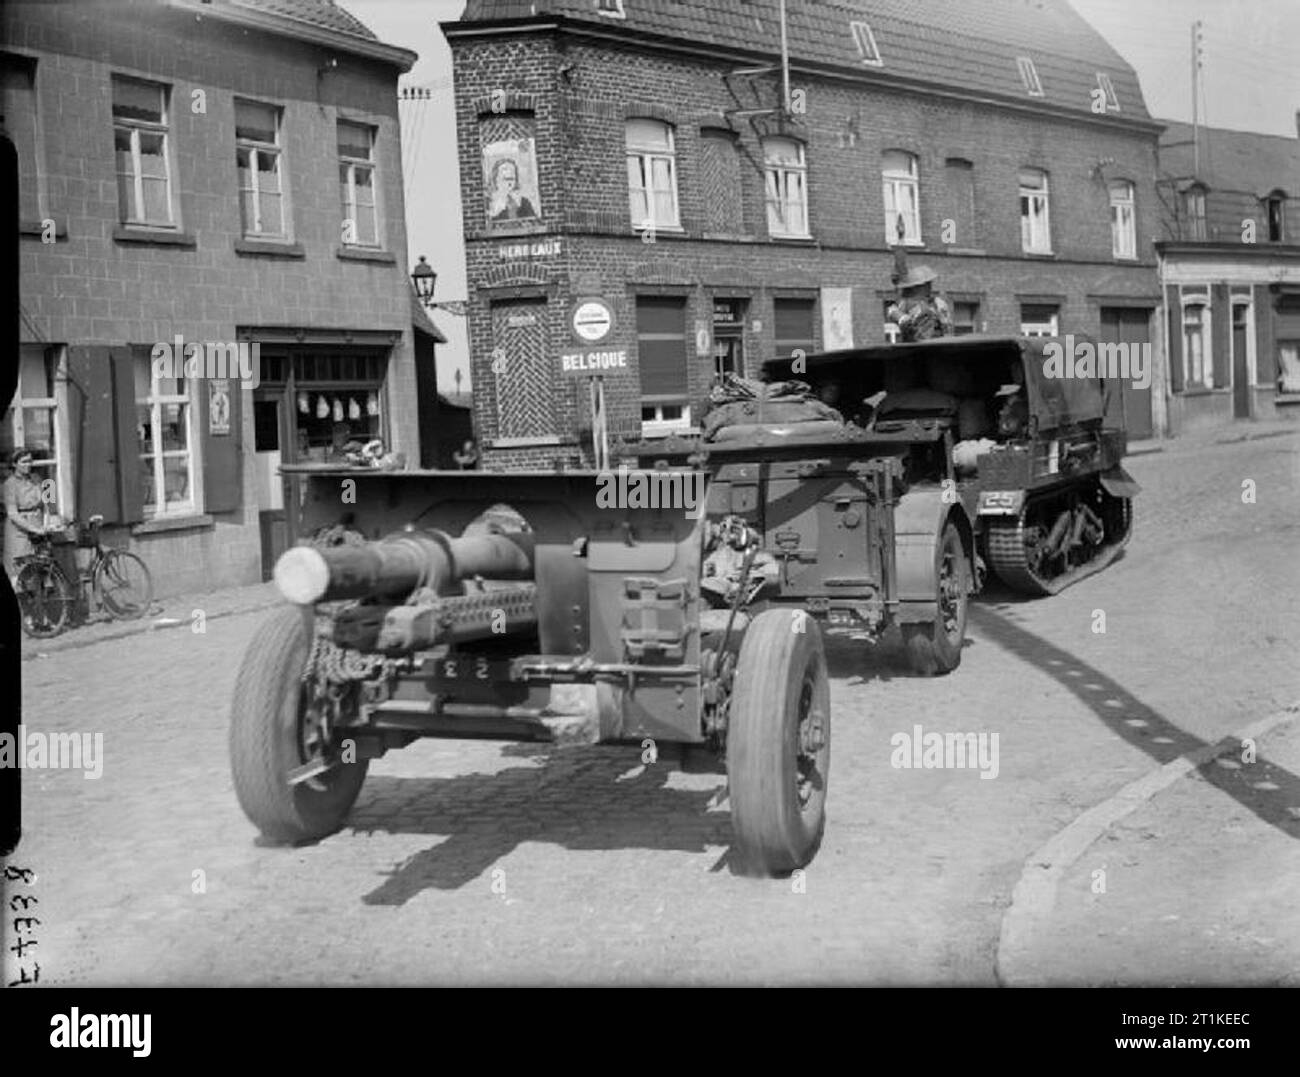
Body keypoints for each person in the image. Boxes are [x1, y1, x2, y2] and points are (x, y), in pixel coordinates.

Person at [4, 448, 46, 581]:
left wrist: (48, 523)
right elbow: (13, 514)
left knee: (39, 573)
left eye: (30, 461)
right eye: (24, 462)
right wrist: (34, 529)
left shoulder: (37, 479)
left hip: (38, 529)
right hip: (19, 532)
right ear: (14, 464)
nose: (28, 465)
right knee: (19, 572)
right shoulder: (9, 485)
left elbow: (48, 503)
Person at [886, 265, 953, 342]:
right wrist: (903, 318)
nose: (929, 287)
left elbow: (947, 328)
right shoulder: (904, 304)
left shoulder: (938, 303)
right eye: (926, 284)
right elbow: (891, 312)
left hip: (935, 346)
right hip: (913, 347)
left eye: (928, 284)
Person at [487, 158, 537, 222]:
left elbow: (533, 222)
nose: (509, 183)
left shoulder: (524, 202)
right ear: (495, 179)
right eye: (505, 179)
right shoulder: (489, 202)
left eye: (512, 179)